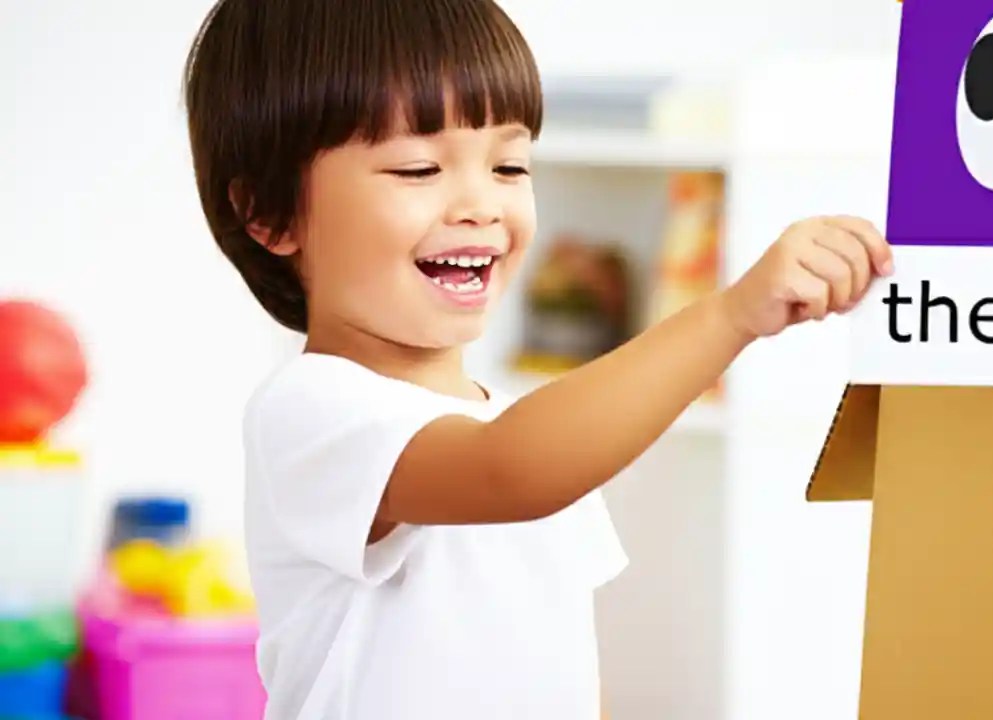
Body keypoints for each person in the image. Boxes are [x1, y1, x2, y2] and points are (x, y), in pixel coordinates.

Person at [181, 0, 893, 718]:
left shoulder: (528, 432)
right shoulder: (314, 409)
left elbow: (569, 665)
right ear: (270, 214)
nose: (481, 205)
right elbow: (512, 470)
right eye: (418, 168)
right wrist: (730, 315)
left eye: (510, 165)